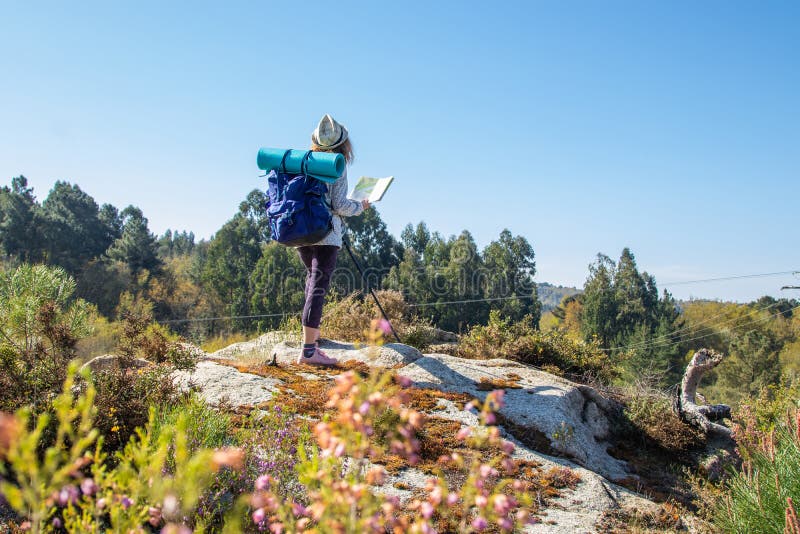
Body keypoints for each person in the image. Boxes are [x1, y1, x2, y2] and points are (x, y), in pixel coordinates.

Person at [296, 114, 369, 365]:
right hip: (326, 233)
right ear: (343, 144)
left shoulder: (305, 162)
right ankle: (308, 351)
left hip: (302, 232)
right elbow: (339, 204)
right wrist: (361, 206)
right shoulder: (337, 164)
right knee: (318, 286)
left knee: (311, 282)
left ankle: (311, 340)